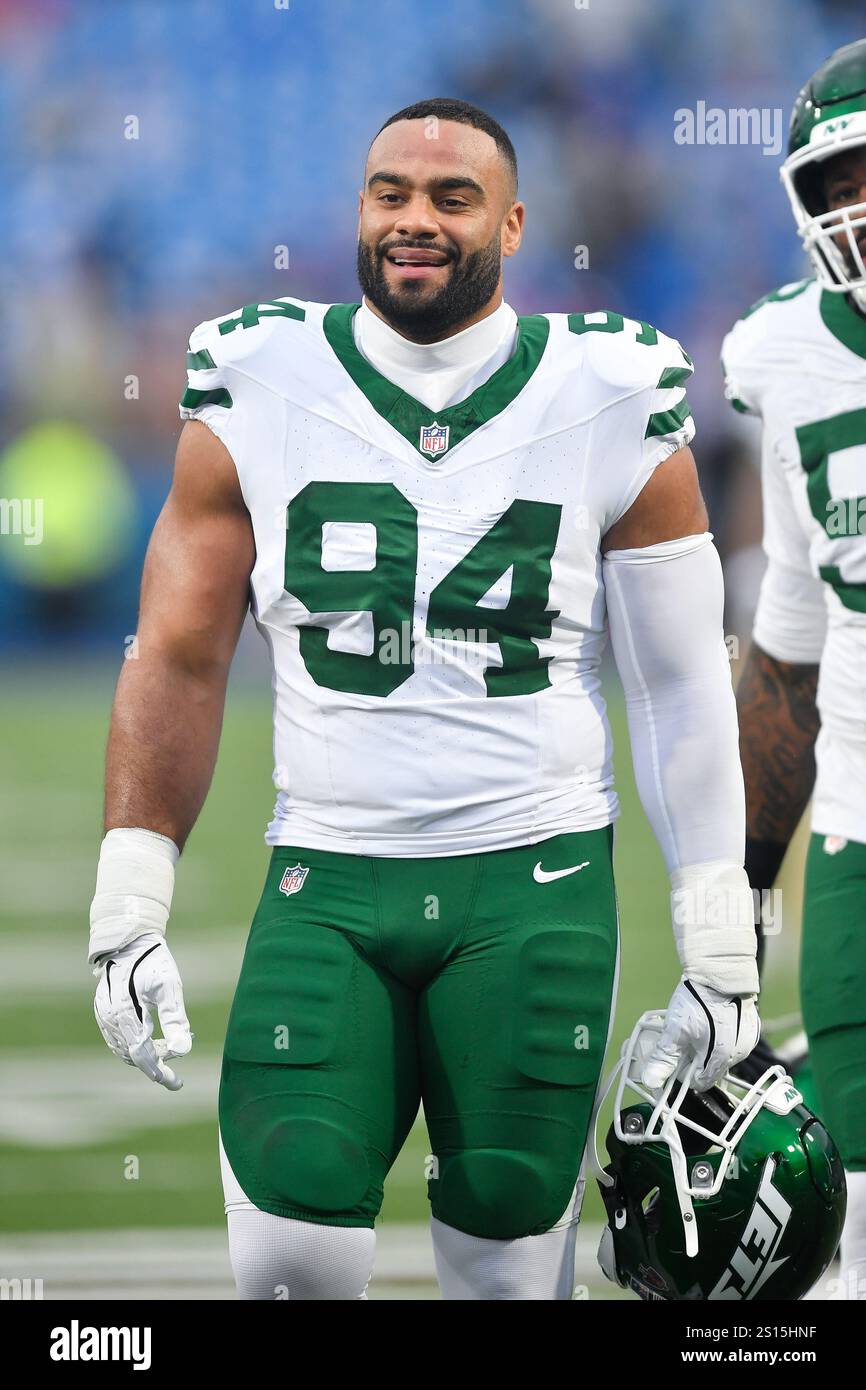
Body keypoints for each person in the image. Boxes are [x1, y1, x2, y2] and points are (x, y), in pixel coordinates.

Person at [90, 97, 758, 1301]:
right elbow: (179, 654)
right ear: (357, 209)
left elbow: (675, 679)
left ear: (509, 223)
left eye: (451, 199)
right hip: (328, 876)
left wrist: (715, 927)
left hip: (533, 881)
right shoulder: (258, 373)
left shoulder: (612, 386)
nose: (415, 219)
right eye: (390, 192)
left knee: (503, 1271)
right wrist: (130, 890)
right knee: (288, 1264)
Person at [722, 40, 866, 1300]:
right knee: (854, 1215)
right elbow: (787, 658)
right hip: (861, 847)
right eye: (842, 178)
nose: (862, 206)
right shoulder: (781, 358)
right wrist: (732, 902)